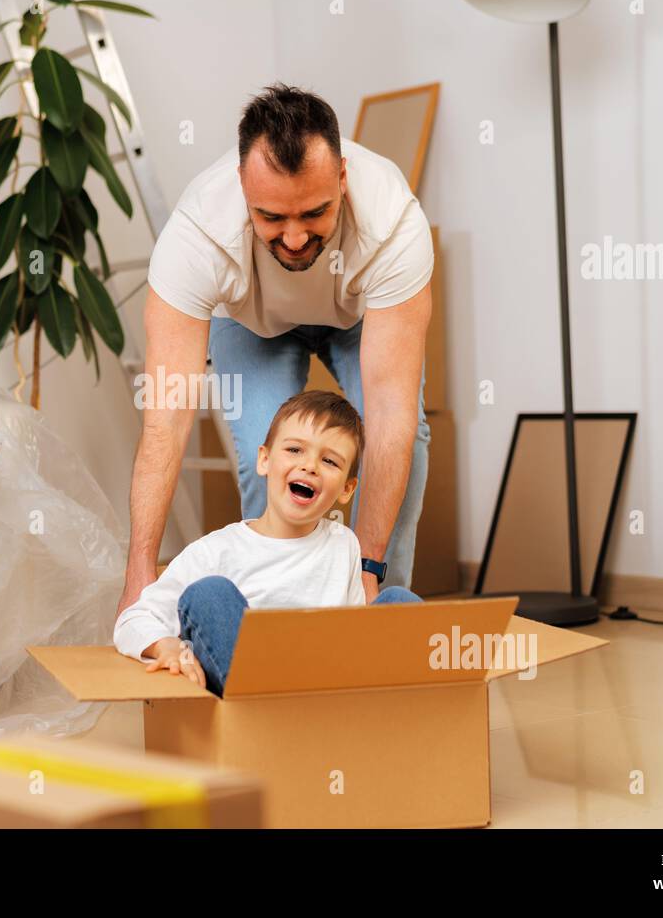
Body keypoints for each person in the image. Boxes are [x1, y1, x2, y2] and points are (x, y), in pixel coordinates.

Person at [119, 83, 433, 616]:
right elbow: (166, 420)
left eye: (313, 214)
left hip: (357, 315)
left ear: (342, 178)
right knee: (269, 457)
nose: (292, 239)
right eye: (271, 218)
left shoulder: (394, 224)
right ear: (242, 185)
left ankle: (376, 608)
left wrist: (369, 567)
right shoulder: (196, 236)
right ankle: (269, 619)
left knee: (412, 439)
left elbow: (389, 414)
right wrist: (140, 572)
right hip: (252, 324)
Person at [115, 390, 423, 694]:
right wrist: (167, 647)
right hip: (256, 692)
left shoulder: (344, 545)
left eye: (329, 461)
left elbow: (354, 634)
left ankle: (393, 722)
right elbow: (134, 619)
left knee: (400, 603)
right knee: (209, 594)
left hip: (328, 691)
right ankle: (273, 721)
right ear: (264, 460)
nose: (310, 466)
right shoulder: (217, 550)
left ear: (347, 489)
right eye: (294, 450)